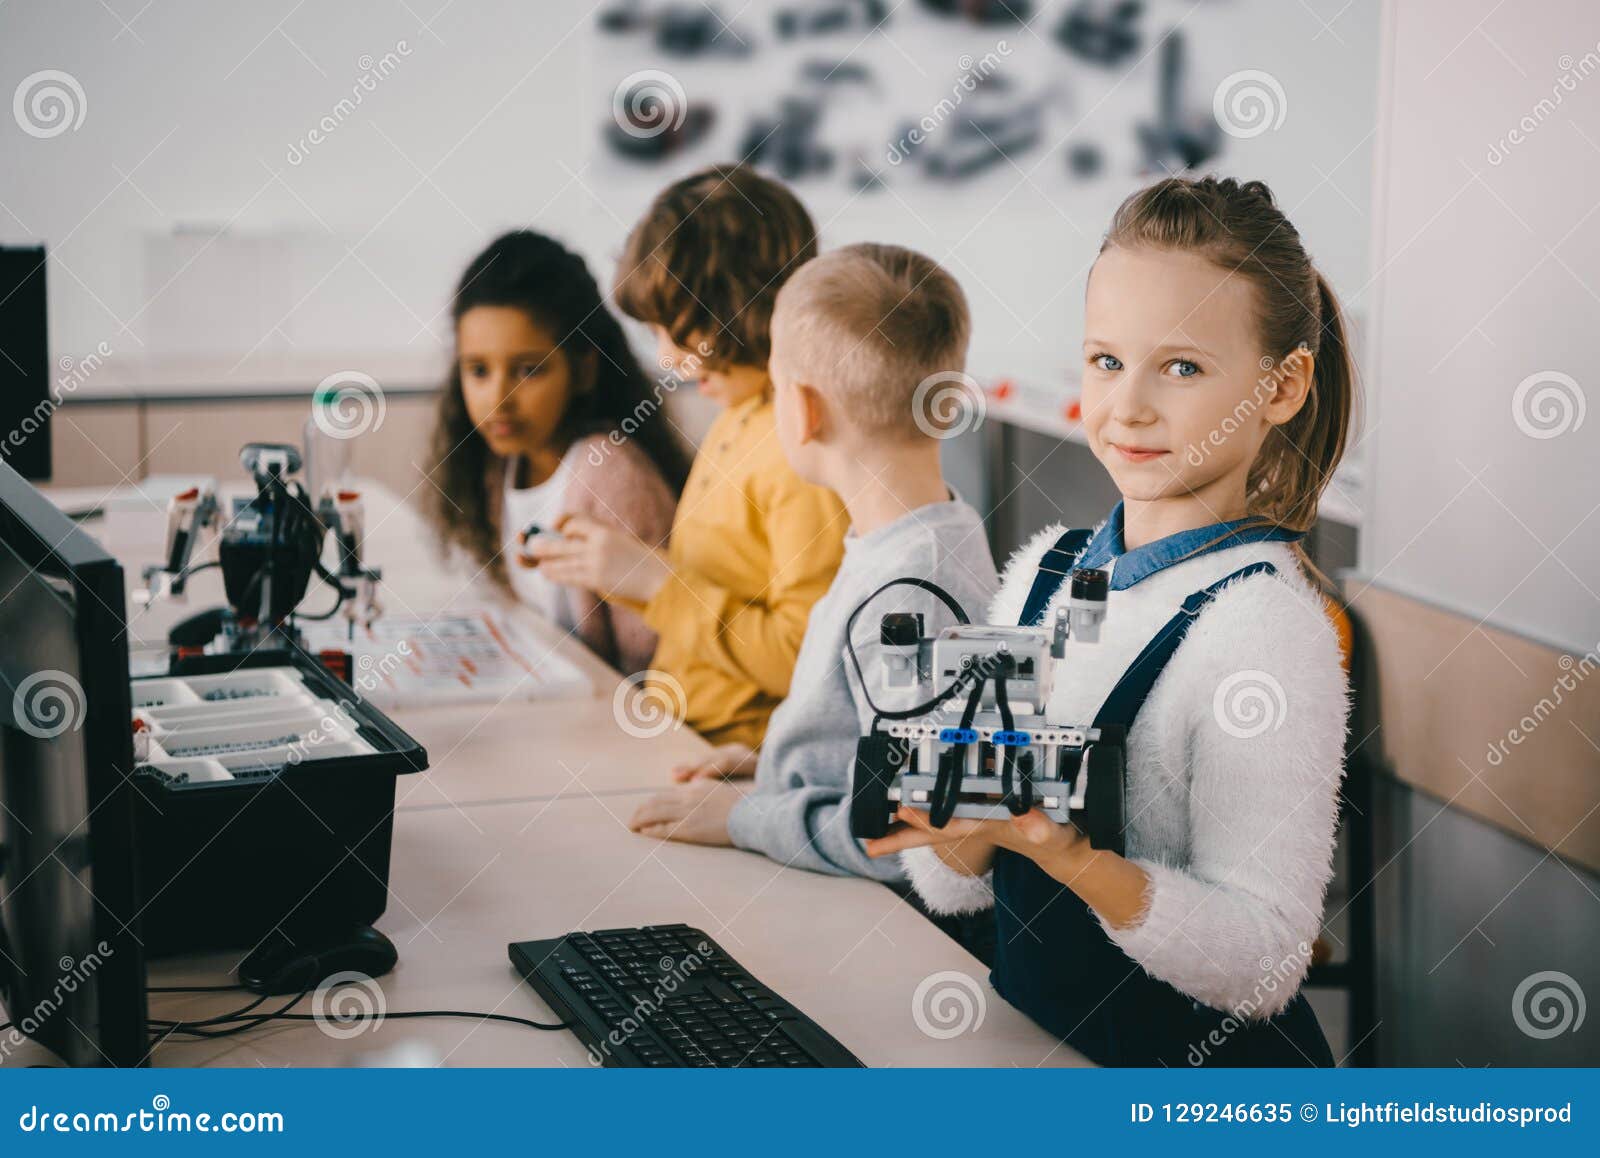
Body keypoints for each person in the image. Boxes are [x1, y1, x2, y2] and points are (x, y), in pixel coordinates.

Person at [868, 176, 1355, 1067]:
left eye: (1182, 368)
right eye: (1104, 361)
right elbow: (955, 890)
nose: (1127, 406)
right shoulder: (1043, 575)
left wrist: (1074, 860)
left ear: (1283, 387)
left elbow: (1265, 965)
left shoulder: (1264, 629)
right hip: (1042, 1050)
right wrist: (956, 823)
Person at [626, 244, 999, 880]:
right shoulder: (909, 542)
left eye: (773, 388)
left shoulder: (912, 590)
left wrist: (747, 819)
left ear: (803, 409)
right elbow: (880, 742)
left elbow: (922, 837)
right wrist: (777, 761)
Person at [527, 165, 846, 748]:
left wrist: (654, 580)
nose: (667, 358)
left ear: (738, 308)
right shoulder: (741, 415)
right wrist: (613, 566)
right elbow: (714, 588)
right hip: (684, 730)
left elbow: (804, 662)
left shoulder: (801, 452)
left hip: (743, 753)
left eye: (677, 331)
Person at [422, 230, 688, 674]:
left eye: (529, 370)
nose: (499, 398)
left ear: (583, 370)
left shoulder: (609, 475)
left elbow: (655, 664)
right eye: (479, 370)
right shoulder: (499, 465)